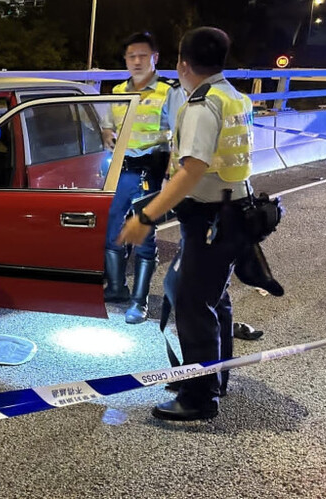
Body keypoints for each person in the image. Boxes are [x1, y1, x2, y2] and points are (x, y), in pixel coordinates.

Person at [117, 27, 254, 421]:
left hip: (212, 218)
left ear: (182, 63)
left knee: (194, 304)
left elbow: (191, 170)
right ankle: (214, 376)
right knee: (211, 298)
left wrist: (146, 216)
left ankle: (198, 396)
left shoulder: (202, 104)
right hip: (233, 211)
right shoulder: (234, 96)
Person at [102, 32, 185, 324]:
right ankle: (116, 288)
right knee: (112, 227)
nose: (136, 61)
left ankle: (140, 302)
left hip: (151, 169)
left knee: (144, 235)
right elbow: (107, 127)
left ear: (155, 58)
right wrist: (107, 133)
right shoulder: (117, 91)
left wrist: (175, 175)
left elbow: (180, 134)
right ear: (125, 59)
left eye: (142, 56)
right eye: (131, 56)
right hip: (121, 168)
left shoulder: (169, 91)